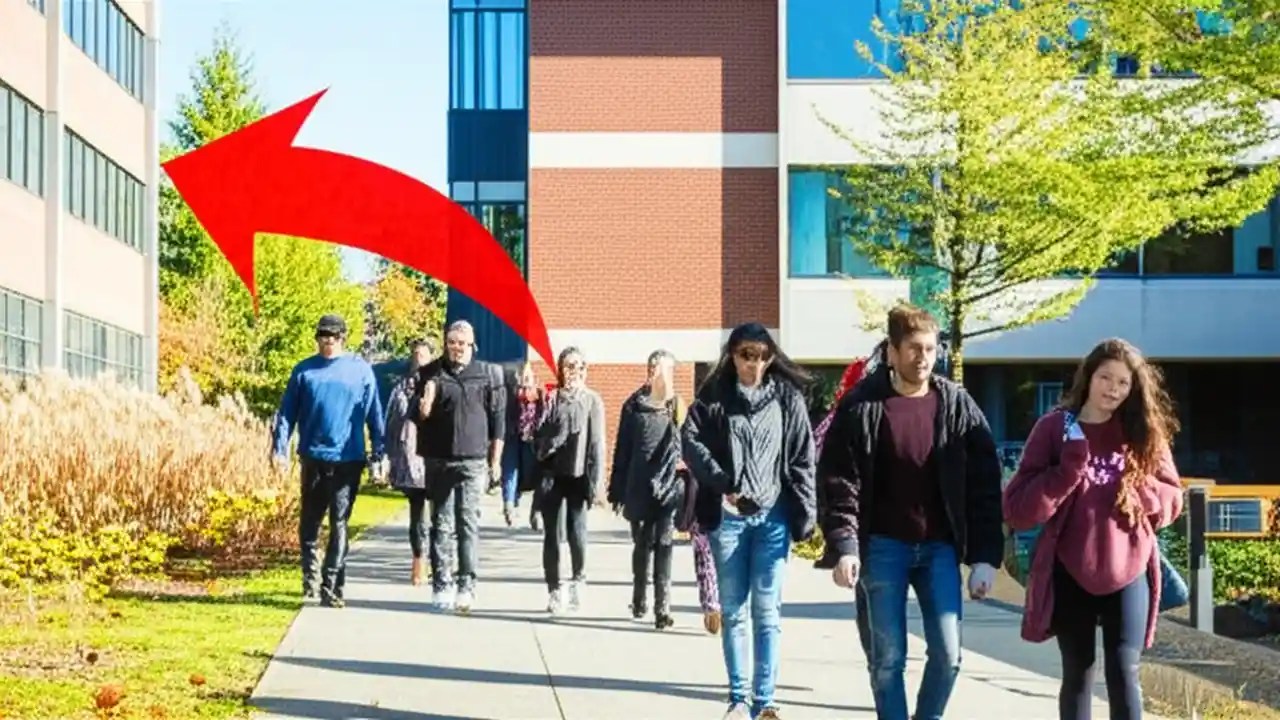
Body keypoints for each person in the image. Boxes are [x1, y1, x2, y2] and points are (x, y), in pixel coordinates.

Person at [816, 304, 1003, 720]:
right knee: (888, 659)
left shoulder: (957, 407)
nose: (923, 359)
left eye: (931, 350)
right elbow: (839, 483)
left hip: (938, 547)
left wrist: (986, 557)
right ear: (892, 352)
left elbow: (984, 487)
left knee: (949, 654)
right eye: (914, 349)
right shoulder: (862, 407)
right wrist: (846, 546)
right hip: (883, 547)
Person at [1003, 338, 1184, 720]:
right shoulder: (1055, 428)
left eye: (1123, 383)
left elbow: (1172, 498)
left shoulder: (1143, 430)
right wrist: (1065, 474)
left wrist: (1141, 492)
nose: (1113, 390)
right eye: (1106, 378)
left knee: (1124, 672)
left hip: (1129, 569)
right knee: (1079, 673)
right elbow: (1018, 508)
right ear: (1088, 377)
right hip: (1070, 569)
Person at [681, 322, 818, 720]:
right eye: (745, 355)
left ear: (770, 357)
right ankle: (739, 698)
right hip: (730, 520)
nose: (753, 364)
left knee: (767, 610)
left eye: (761, 356)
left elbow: (803, 458)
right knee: (734, 609)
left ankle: (766, 700)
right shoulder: (714, 397)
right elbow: (690, 440)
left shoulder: (788, 400)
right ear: (733, 356)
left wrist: (805, 514)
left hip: (773, 518)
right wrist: (722, 482)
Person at [272, 314, 386, 609]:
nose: (327, 341)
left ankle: (332, 584)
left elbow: (374, 413)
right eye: (322, 335)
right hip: (313, 456)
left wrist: (379, 452)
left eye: (333, 336)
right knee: (309, 523)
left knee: (339, 522)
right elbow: (286, 414)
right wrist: (279, 449)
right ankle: (310, 577)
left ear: (343, 337)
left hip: (348, 458)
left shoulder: (360, 371)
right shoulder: (304, 372)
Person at [413, 320, 505, 614]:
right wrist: (424, 407)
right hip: (438, 459)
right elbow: (416, 416)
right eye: (451, 342)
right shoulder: (430, 373)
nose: (456, 347)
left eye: (462, 343)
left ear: (471, 346)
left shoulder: (486, 375)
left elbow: (498, 423)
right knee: (441, 524)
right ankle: (442, 583)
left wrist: (496, 461)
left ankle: (466, 584)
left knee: (467, 523)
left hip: (472, 460)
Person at [609, 349, 687, 629]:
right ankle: (639, 595)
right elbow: (623, 449)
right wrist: (615, 490)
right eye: (654, 366)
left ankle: (662, 607)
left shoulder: (676, 405)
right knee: (642, 544)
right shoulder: (633, 405)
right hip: (638, 485)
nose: (658, 372)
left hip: (667, 487)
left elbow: (687, 447)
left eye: (664, 368)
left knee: (665, 544)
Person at [534, 346, 606, 615]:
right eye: (568, 366)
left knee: (577, 532)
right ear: (561, 370)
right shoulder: (551, 399)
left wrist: (597, 482)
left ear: (585, 370)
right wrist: (551, 442)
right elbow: (536, 438)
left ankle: (578, 580)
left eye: (578, 366)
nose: (574, 371)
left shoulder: (592, 401)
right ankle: (554, 589)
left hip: (579, 475)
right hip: (552, 476)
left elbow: (598, 443)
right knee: (552, 535)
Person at [384, 338, 435, 586]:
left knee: (440, 516)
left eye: (423, 355)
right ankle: (418, 561)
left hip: (436, 458)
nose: (418, 359)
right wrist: (387, 456)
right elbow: (390, 422)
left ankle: (439, 562)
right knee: (417, 516)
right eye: (415, 354)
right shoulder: (401, 388)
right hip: (410, 460)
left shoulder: (439, 384)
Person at [500, 361, 544, 527]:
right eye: (523, 377)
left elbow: (545, 414)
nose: (525, 380)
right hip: (513, 437)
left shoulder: (540, 396)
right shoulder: (512, 395)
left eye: (528, 377)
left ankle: (536, 510)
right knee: (510, 470)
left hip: (533, 440)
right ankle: (509, 506)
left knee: (534, 474)